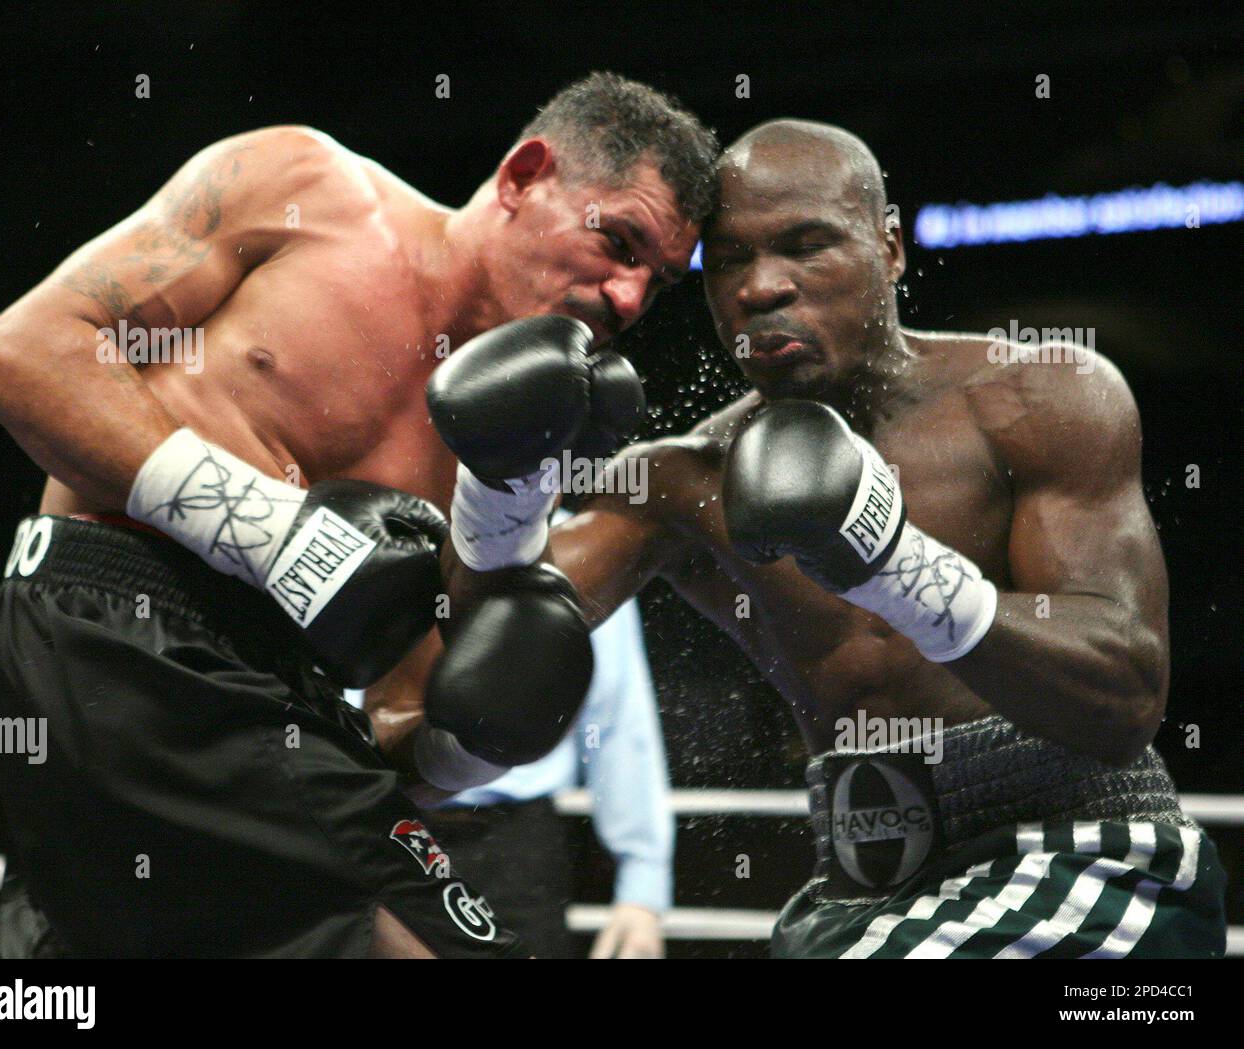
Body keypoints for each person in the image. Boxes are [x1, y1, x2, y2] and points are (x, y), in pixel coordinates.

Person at [388, 119, 1228, 958]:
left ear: (890, 247)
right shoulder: (680, 482)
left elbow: (1124, 698)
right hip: (858, 894)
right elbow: (485, 652)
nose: (761, 288)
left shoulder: (1039, 398)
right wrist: (501, 485)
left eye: (805, 245)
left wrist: (891, 562)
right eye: (727, 262)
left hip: (1082, 864)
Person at [0, 73, 717, 957]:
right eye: (619, 242)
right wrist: (276, 535)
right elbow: (16, 358)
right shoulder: (308, 189)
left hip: (277, 694)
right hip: (112, 620)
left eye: (659, 282)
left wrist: (467, 750)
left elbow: (395, 720)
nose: (629, 299)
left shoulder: (515, 454)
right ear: (524, 175)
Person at [357, 512, 673, 959]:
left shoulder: (585, 541)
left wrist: (642, 889)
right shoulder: (372, 527)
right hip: (377, 827)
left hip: (514, 844)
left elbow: (616, 725)